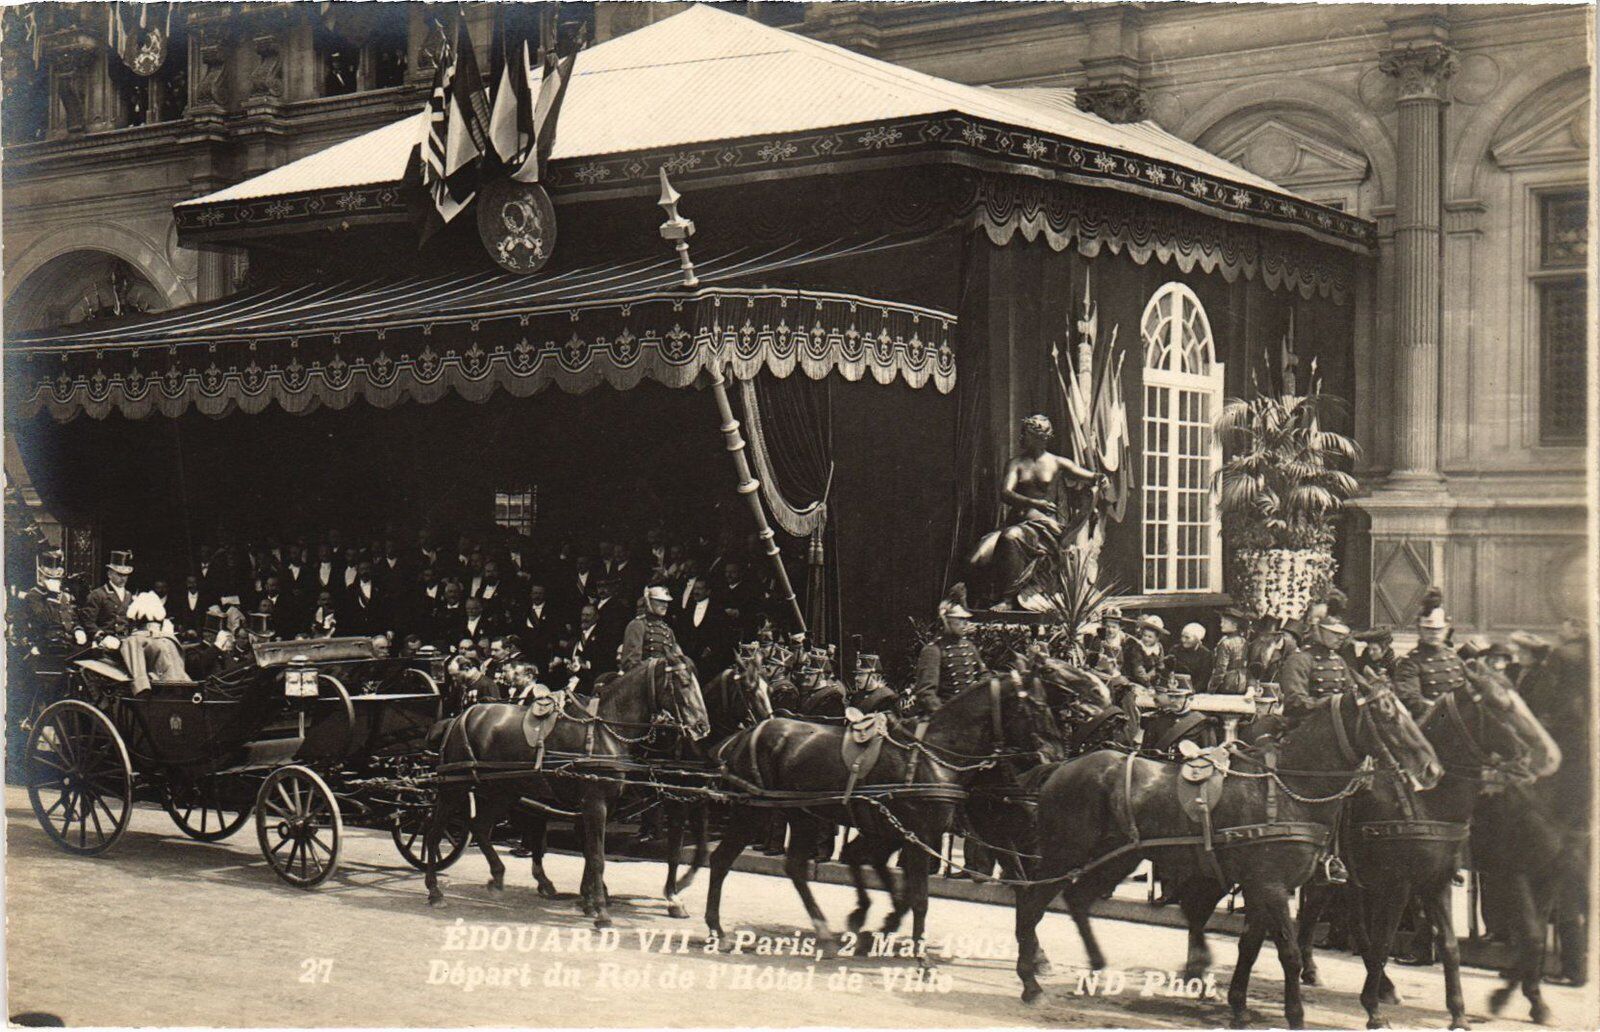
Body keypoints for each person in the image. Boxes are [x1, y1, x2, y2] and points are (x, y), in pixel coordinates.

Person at [969, 414, 1104, 609]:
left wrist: (1100, 479)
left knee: (1010, 537)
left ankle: (1007, 600)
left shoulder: (1057, 463)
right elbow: (1005, 493)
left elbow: (1093, 478)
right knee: (975, 559)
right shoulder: (1015, 463)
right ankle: (978, 603)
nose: (1021, 437)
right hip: (1016, 524)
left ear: (1040, 437)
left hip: (1043, 530)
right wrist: (1034, 502)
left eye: (1026, 434)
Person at [913, 584, 988, 714]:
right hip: (946, 717)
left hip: (971, 712)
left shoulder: (968, 646)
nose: (965, 624)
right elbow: (926, 694)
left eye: (965, 620)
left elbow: (984, 675)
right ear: (947, 621)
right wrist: (947, 715)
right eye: (960, 619)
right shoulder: (933, 650)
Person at [1392, 588, 1468, 715]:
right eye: (1428, 629)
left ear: (1446, 629)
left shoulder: (1453, 657)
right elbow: (1411, 699)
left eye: (1438, 629)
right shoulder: (1410, 663)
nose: (1434, 634)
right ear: (1419, 629)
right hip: (1431, 721)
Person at [1276, 614, 1360, 723]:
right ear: (1319, 632)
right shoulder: (1300, 659)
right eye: (1335, 633)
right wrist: (1329, 703)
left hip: (1335, 720)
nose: (1341, 638)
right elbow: (1295, 701)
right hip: (1307, 723)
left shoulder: (1338, 660)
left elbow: (1350, 690)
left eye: (1342, 635)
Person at [120, 591, 190, 694]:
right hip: (183, 687)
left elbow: (139, 676)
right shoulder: (170, 639)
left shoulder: (134, 640)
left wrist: (142, 689)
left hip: (159, 691)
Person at [1141, 674, 1220, 759]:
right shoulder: (1156, 721)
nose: (1172, 700)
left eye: (1178, 697)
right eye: (1170, 696)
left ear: (1190, 698)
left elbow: (1210, 758)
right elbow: (1145, 755)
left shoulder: (1202, 724)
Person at [79, 550, 136, 644]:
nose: (123, 578)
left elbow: (131, 623)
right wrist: (102, 637)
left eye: (126, 575)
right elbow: (87, 622)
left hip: (125, 642)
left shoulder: (129, 595)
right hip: (105, 643)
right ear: (109, 574)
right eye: (119, 574)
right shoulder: (98, 594)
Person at [619, 586, 681, 672]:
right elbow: (631, 663)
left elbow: (675, 658)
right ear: (649, 602)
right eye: (660, 601)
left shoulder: (668, 630)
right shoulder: (637, 625)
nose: (665, 605)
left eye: (666, 602)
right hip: (642, 677)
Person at [1208, 606, 1250, 694]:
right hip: (1241, 681)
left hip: (1227, 683)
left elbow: (1221, 668)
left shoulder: (1225, 643)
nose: (1221, 624)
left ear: (1234, 625)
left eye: (1224, 622)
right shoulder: (1243, 641)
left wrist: (1212, 687)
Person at [1124, 615, 1168, 686]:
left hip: (1153, 680)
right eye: (1144, 635)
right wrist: (1146, 682)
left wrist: (1154, 674)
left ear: (1157, 638)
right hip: (1137, 680)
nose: (1146, 639)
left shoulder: (1159, 647)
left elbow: (1160, 665)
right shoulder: (1138, 646)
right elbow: (1138, 667)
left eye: (1150, 637)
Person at [1169, 622, 1213, 689]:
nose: (1183, 640)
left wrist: (1193, 690)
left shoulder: (1206, 655)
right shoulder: (1175, 650)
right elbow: (1167, 671)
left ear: (1197, 639)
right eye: (1182, 636)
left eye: (1187, 637)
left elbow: (1204, 679)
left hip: (1196, 691)